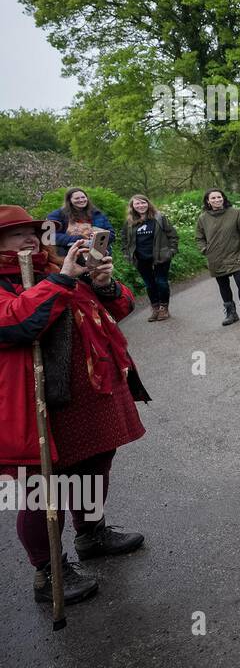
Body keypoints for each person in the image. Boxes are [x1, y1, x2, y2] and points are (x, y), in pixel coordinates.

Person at [0, 205, 148, 608]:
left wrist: (102, 283)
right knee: (41, 489)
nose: (31, 238)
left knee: (97, 462)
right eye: (18, 234)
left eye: (34, 230)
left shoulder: (55, 268)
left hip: (88, 393)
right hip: (36, 403)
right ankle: (49, 572)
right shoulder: (30, 279)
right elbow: (16, 324)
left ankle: (91, 534)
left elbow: (118, 311)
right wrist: (63, 279)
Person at [196, 190, 240, 327]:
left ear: (223, 198)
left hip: (236, 255)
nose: (217, 199)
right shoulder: (203, 218)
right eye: (213, 198)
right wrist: (205, 250)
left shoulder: (236, 214)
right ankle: (231, 314)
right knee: (223, 285)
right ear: (207, 201)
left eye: (219, 197)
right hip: (216, 258)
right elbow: (199, 238)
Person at [122, 194, 180, 321]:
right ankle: (155, 308)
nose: (141, 205)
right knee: (150, 284)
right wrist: (127, 254)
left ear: (148, 203)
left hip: (161, 255)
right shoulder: (130, 222)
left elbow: (173, 235)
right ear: (132, 206)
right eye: (137, 203)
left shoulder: (159, 218)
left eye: (143, 202)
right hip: (141, 258)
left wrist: (171, 250)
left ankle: (164, 309)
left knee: (161, 282)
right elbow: (125, 240)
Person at [45, 188, 114, 258]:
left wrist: (96, 239)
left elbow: (111, 234)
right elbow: (49, 236)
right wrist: (79, 240)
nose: (81, 200)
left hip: (97, 256)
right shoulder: (57, 215)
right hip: (68, 255)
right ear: (69, 200)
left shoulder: (97, 214)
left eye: (83, 197)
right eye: (77, 198)